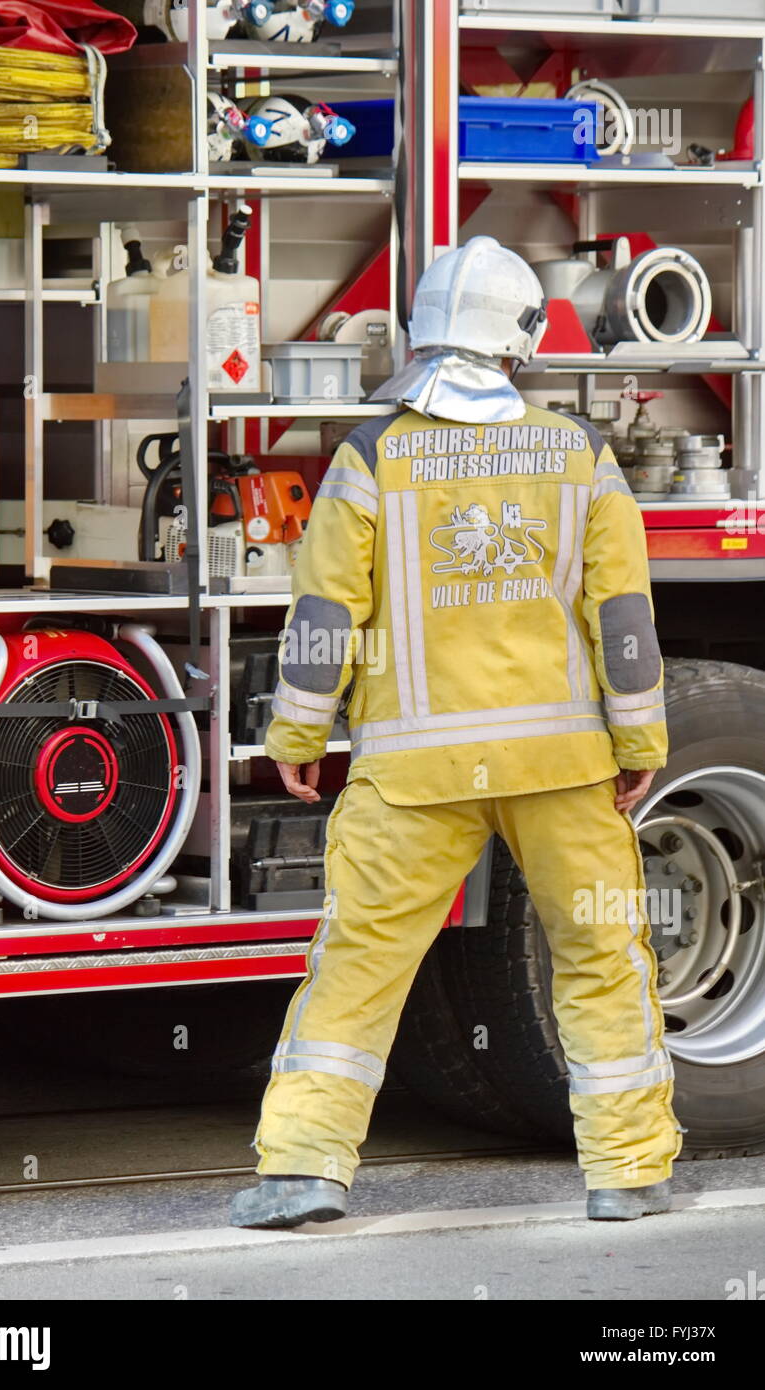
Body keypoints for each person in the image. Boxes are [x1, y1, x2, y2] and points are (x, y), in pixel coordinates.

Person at [231, 235, 682, 1229]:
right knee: (599, 953)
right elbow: (622, 619)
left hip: (410, 772)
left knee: (358, 959)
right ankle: (626, 1172)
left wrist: (296, 738)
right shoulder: (578, 454)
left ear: (423, 331)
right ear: (518, 338)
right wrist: (638, 746)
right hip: (561, 764)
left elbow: (322, 616)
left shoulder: (370, 456)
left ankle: (302, 1169)